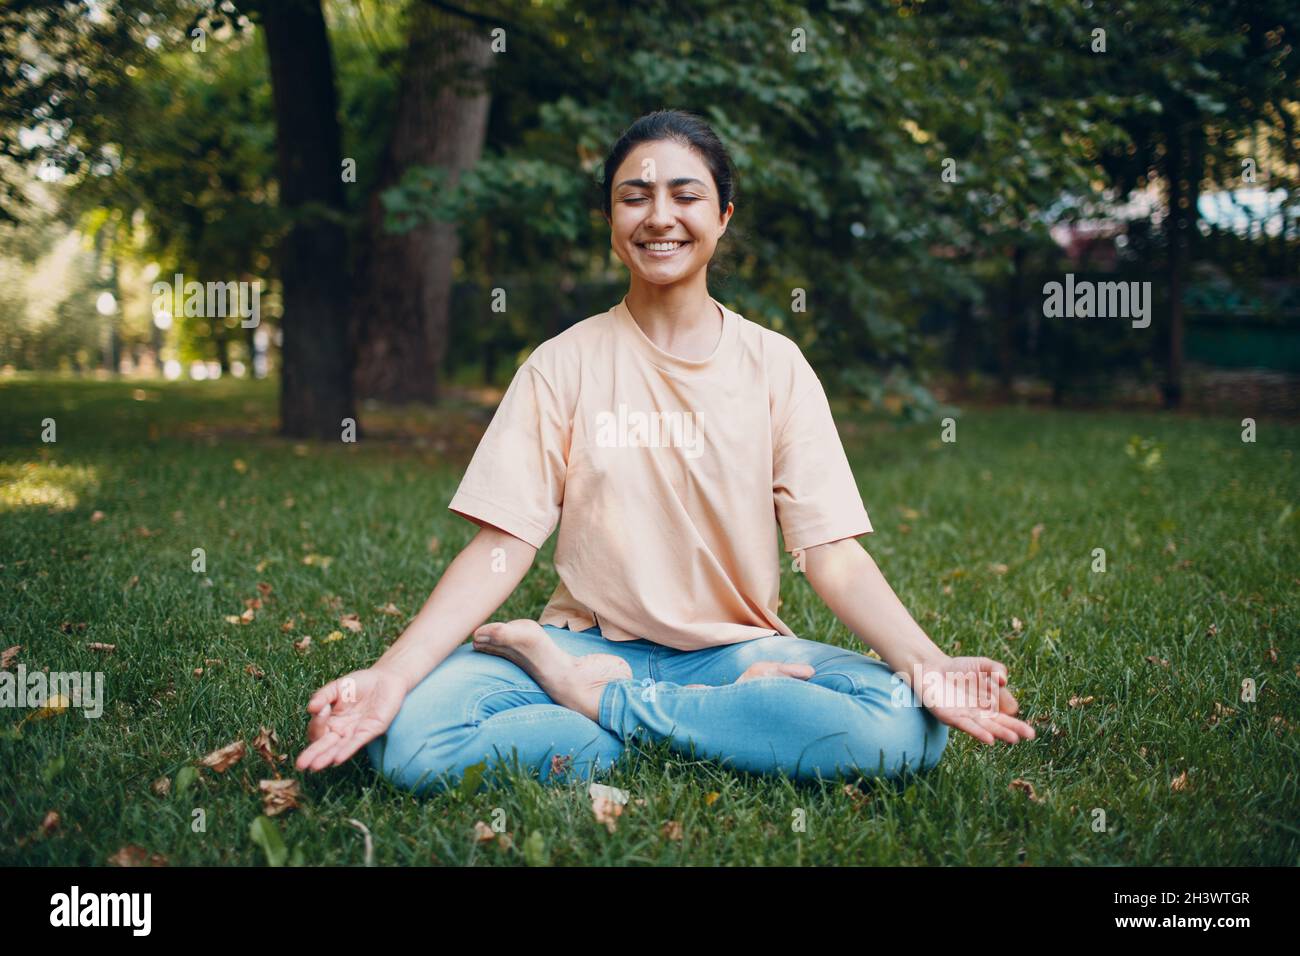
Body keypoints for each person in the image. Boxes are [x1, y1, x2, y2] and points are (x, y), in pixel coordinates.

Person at [294, 109, 1035, 794]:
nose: (659, 217)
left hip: (733, 652)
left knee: (899, 727)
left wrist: (927, 664)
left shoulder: (775, 366)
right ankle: (689, 715)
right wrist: (390, 676)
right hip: (579, 642)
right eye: (633, 196)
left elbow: (830, 551)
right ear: (611, 219)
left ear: (722, 216)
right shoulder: (562, 364)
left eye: (685, 195)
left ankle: (609, 708)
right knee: (413, 745)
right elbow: (501, 547)